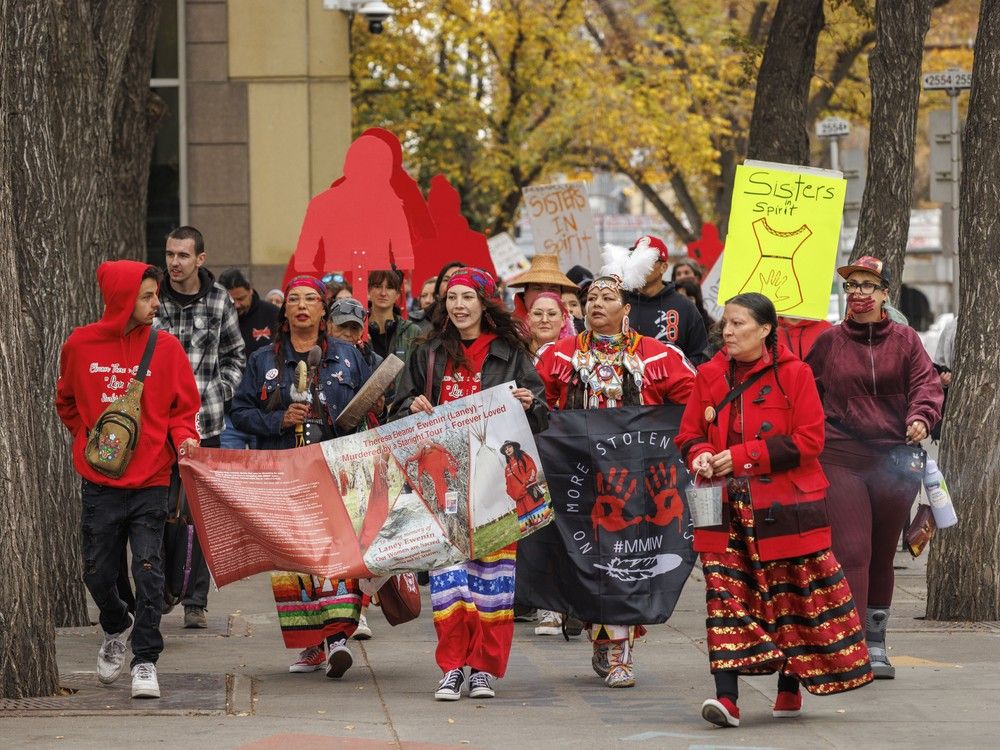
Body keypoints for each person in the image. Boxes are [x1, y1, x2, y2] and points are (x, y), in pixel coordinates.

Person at [676, 292, 872, 728]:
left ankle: (788, 687)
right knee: (723, 596)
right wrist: (703, 455)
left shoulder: (795, 374)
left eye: (738, 324)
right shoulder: (708, 374)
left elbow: (809, 441)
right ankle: (726, 699)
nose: (727, 331)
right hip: (720, 506)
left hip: (783, 504)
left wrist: (743, 456)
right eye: (725, 323)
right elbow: (688, 434)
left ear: (765, 329)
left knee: (788, 598)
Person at [390, 267, 548, 702]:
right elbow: (398, 407)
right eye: (452, 297)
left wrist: (530, 402)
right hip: (444, 482)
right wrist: (411, 405)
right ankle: (452, 667)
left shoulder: (510, 351)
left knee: (492, 580)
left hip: (498, 482)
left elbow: (541, 412)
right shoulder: (428, 351)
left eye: (467, 297)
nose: (459, 305)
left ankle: (483, 669)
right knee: (448, 578)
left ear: (484, 302)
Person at [535, 275, 696, 687]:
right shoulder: (559, 354)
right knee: (588, 556)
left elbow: (692, 399)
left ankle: (620, 651)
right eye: (590, 298)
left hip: (635, 477)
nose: (597, 304)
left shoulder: (658, 355)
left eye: (608, 298)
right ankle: (602, 637)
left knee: (623, 555)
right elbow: (539, 401)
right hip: (578, 475)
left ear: (627, 309)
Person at [56, 260, 201, 699]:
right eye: (148, 296)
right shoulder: (80, 345)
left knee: (149, 570)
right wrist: (88, 441)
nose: (157, 303)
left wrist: (186, 440)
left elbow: (182, 410)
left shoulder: (167, 348)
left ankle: (144, 661)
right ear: (122, 298)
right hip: (100, 484)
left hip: (153, 480)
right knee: (97, 573)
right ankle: (116, 623)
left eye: (157, 295)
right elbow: (66, 401)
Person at [805, 256, 943, 680]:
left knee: (883, 553)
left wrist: (921, 416)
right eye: (852, 286)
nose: (859, 293)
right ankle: (848, 644)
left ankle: (876, 644)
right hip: (841, 456)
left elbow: (926, 384)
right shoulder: (829, 342)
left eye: (868, 285)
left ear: (885, 293)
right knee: (852, 550)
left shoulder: (906, 340)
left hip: (895, 459)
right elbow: (805, 390)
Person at [230, 276, 373, 678]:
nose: (302, 305)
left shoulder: (347, 356)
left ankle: (340, 637)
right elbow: (239, 412)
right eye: (294, 299)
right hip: (284, 473)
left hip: (336, 468)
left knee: (338, 553)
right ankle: (312, 643)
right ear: (285, 310)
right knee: (294, 558)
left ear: (324, 309)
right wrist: (277, 419)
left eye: (311, 299)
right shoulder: (263, 361)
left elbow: (374, 407)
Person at [154, 226, 246, 628]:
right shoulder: (153, 298)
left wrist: (218, 393)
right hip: (156, 425)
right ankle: (158, 592)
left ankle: (195, 601)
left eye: (183, 255)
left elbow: (235, 356)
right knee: (157, 511)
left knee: (198, 514)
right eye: (170, 254)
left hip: (203, 422)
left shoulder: (220, 301)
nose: (175, 262)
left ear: (200, 259)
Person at [606, 236, 710, 365]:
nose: (640, 264)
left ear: (664, 267)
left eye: (648, 259)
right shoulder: (621, 303)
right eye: (636, 258)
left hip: (673, 383)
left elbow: (700, 355)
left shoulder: (685, 307)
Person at [217, 268, 280, 449]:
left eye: (241, 298)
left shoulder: (273, 314)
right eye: (231, 300)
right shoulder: (216, 319)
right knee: (229, 472)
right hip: (228, 414)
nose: (236, 305)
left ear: (251, 290)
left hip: (266, 413)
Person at [367, 270, 421, 363]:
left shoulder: (412, 332)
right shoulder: (358, 331)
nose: (383, 293)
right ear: (369, 291)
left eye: (389, 287)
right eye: (378, 286)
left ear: (397, 294)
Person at [507, 254, 578, 321]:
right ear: (525, 293)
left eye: (552, 290)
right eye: (538, 288)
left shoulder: (574, 327)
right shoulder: (507, 330)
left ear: (561, 296)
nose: (545, 295)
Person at [328, 297, 384, 372]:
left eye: (354, 328)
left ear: (361, 331)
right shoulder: (316, 355)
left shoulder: (374, 362)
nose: (348, 333)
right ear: (329, 325)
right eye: (342, 325)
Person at [526, 292, 575, 362]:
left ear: (563, 320)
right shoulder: (514, 354)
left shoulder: (574, 358)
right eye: (538, 313)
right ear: (528, 319)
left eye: (552, 314)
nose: (544, 320)